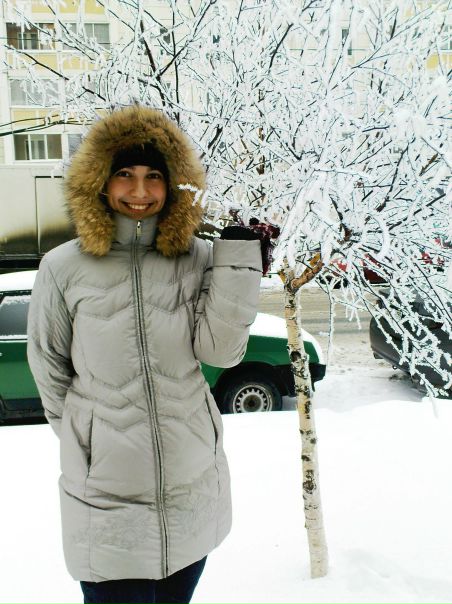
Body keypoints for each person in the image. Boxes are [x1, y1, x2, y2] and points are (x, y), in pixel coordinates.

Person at [27, 105, 265, 604]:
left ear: (173, 183)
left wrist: (241, 261)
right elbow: (48, 365)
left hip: (190, 486)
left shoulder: (198, 258)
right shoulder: (62, 266)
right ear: (99, 181)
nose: (139, 191)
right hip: (105, 496)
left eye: (153, 176)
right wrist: (86, 437)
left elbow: (221, 351)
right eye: (125, 175)